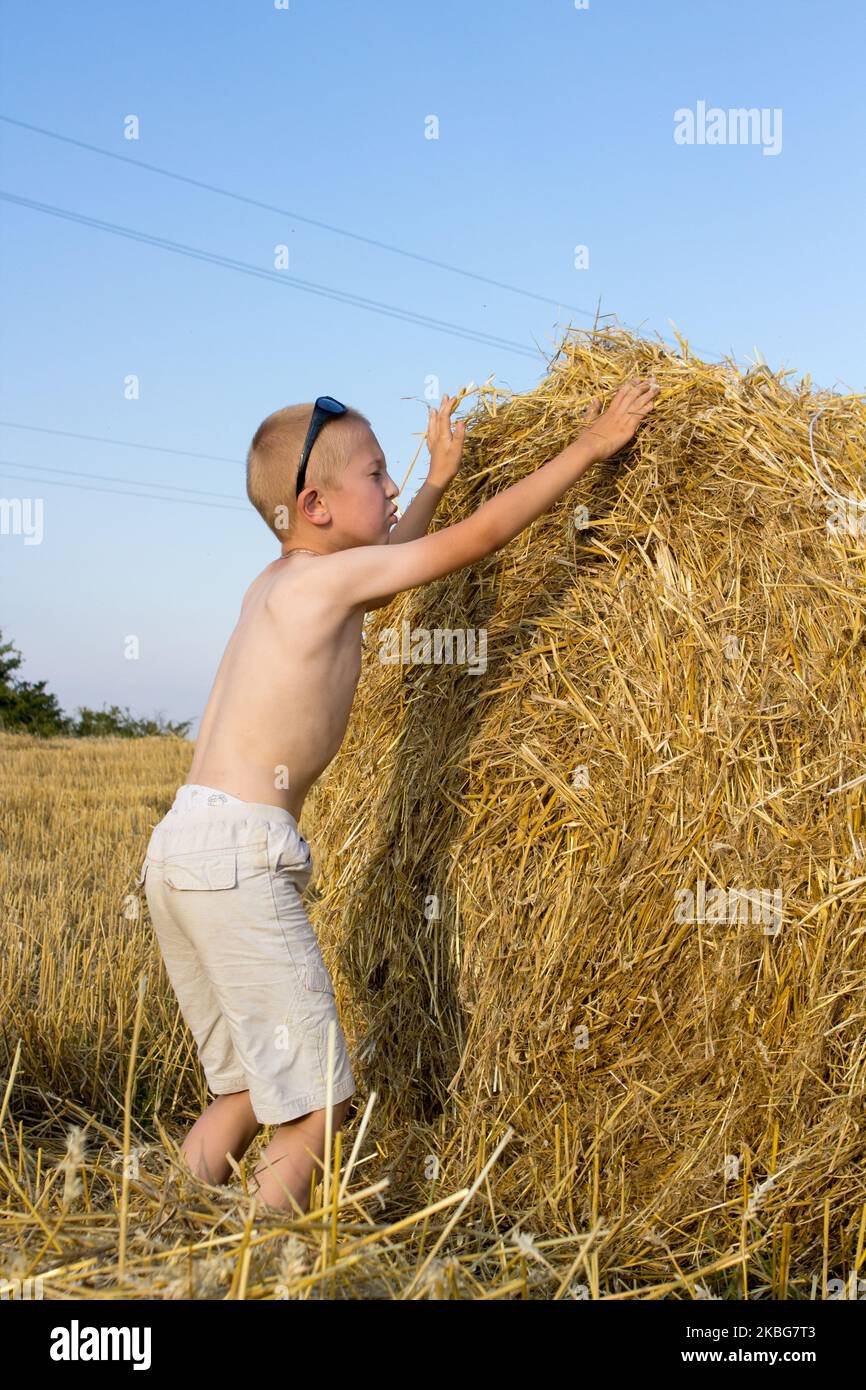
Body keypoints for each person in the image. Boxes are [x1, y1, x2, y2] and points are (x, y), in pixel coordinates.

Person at [138, 377, 660, 1213]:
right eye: (379, 475)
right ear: (314, 504)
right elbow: (477, 540)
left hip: (183, 851)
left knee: (243, 1092)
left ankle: (150, 1238)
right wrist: (590, 446)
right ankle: (253, 1271)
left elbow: (384, 578)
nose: (389, 489)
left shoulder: (281, 584)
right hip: (239, 857)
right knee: (316, 1111)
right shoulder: (321, 588)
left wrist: (433, 482)